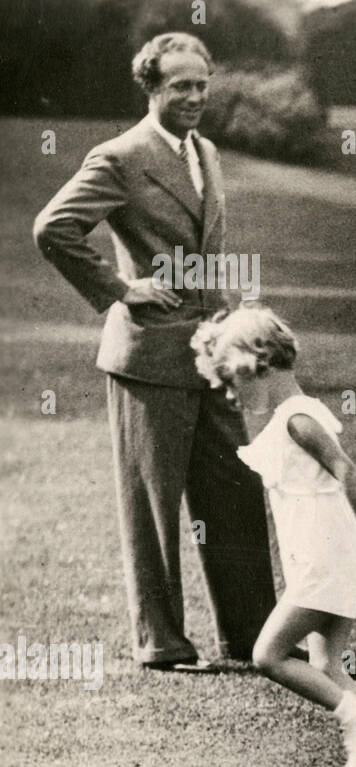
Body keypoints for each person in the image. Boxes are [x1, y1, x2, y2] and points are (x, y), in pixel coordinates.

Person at [32, 33, 276, 671]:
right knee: (153, 506)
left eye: (201, 85)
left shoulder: (209, 152)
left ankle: (253, 638)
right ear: (151, 87)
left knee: (236, 493)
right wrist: (121, 290)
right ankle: (162, 642)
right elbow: (53, 228)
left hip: (214, 356)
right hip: (148, 358)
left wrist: (232, 323)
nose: (194, 97)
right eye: (180, 87)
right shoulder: (118, 157)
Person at [191, 305, 356, 767]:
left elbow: (347, 472)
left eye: (229, 381)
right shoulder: (290, 419)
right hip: (328, 559)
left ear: (255, 364)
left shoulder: (297, 419)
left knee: (267, 655)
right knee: (327, 667)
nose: (230, 395)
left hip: (325, 561)